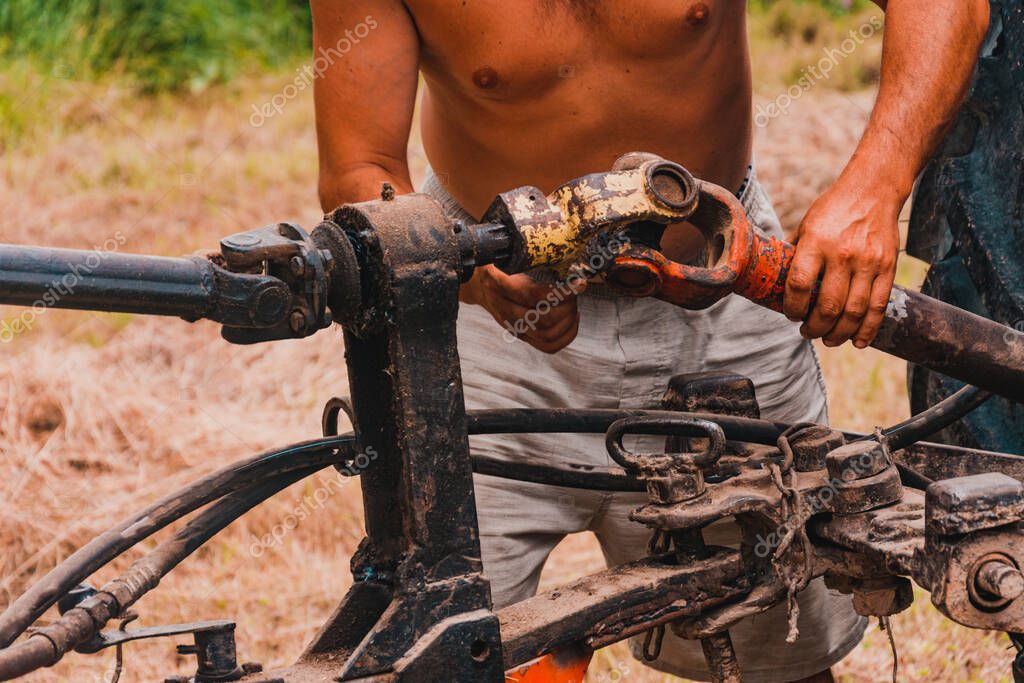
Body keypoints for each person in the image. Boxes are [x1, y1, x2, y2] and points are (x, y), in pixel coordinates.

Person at [311, 2, 989, 680]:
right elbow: (359, 165)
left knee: (778, 652)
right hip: (485, 313)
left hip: (722, 280)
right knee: (433, 648)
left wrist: (875, 187)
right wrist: (475, 280)